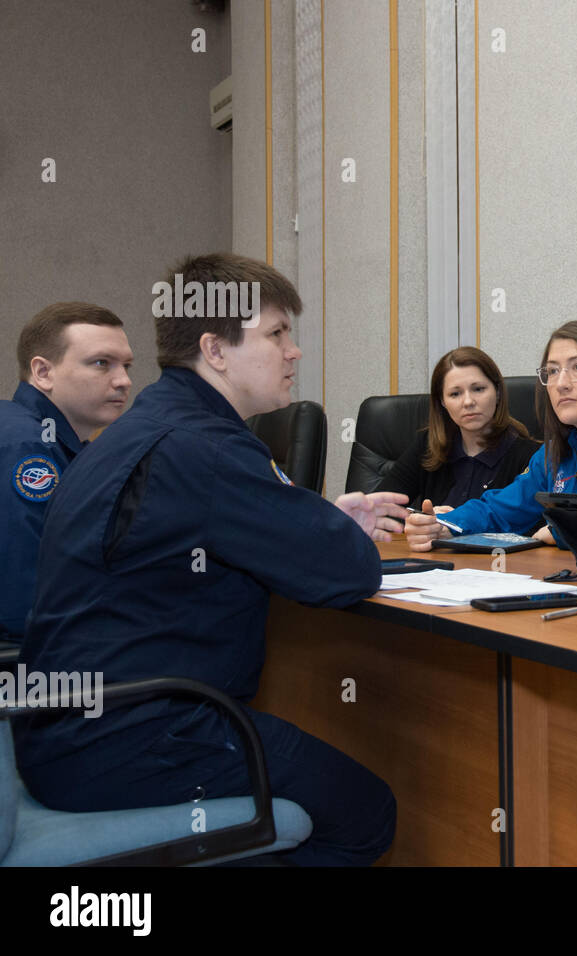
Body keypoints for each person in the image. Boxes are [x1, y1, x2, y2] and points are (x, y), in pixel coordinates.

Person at [16, 253, 409, 865]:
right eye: (277, 333)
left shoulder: (145, 427)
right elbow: (348, 572)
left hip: (66, 729)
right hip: (135, 734)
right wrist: (329, 528)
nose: (294, 351)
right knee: (365, 812)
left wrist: (323, 521)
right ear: (215, 350)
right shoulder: (203, 447)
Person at [405, 319, 577, 549]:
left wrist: (557, 531)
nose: (561, 383)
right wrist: (445, 524)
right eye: (552, 372)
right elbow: (502, 508)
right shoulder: (556, 454)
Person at [1, 303, 133, 641]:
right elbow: (23, 606)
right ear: (43, 373)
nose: (123, 381)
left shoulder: (45, 439)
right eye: (101, 363)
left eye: (126, 366)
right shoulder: (28, 450)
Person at [377, 346, 540, 514]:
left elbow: (533, 527)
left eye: (478, 389)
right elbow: (379, 509)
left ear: (498, 392)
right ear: (442, 401)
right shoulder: (428, 446)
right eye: (455, 394)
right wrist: (420, 521)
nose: (468, 402)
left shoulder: (531, 457)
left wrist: (455, 524)